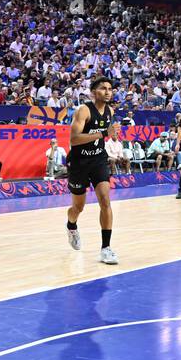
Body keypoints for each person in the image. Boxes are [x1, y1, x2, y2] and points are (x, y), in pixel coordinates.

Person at [65, 76, 118, 265]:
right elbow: (74, 139)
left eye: (110, 89)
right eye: (103, 88)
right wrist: (104, 133)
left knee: (105, 199)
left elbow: (106, 136)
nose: (107, 91)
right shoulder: (84, 110)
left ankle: (106, 248)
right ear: (94, 92)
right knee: (78, 207)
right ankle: (71, 225)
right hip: (79, 162)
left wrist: (112, 136)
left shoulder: (110, 111)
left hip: (98, 160)